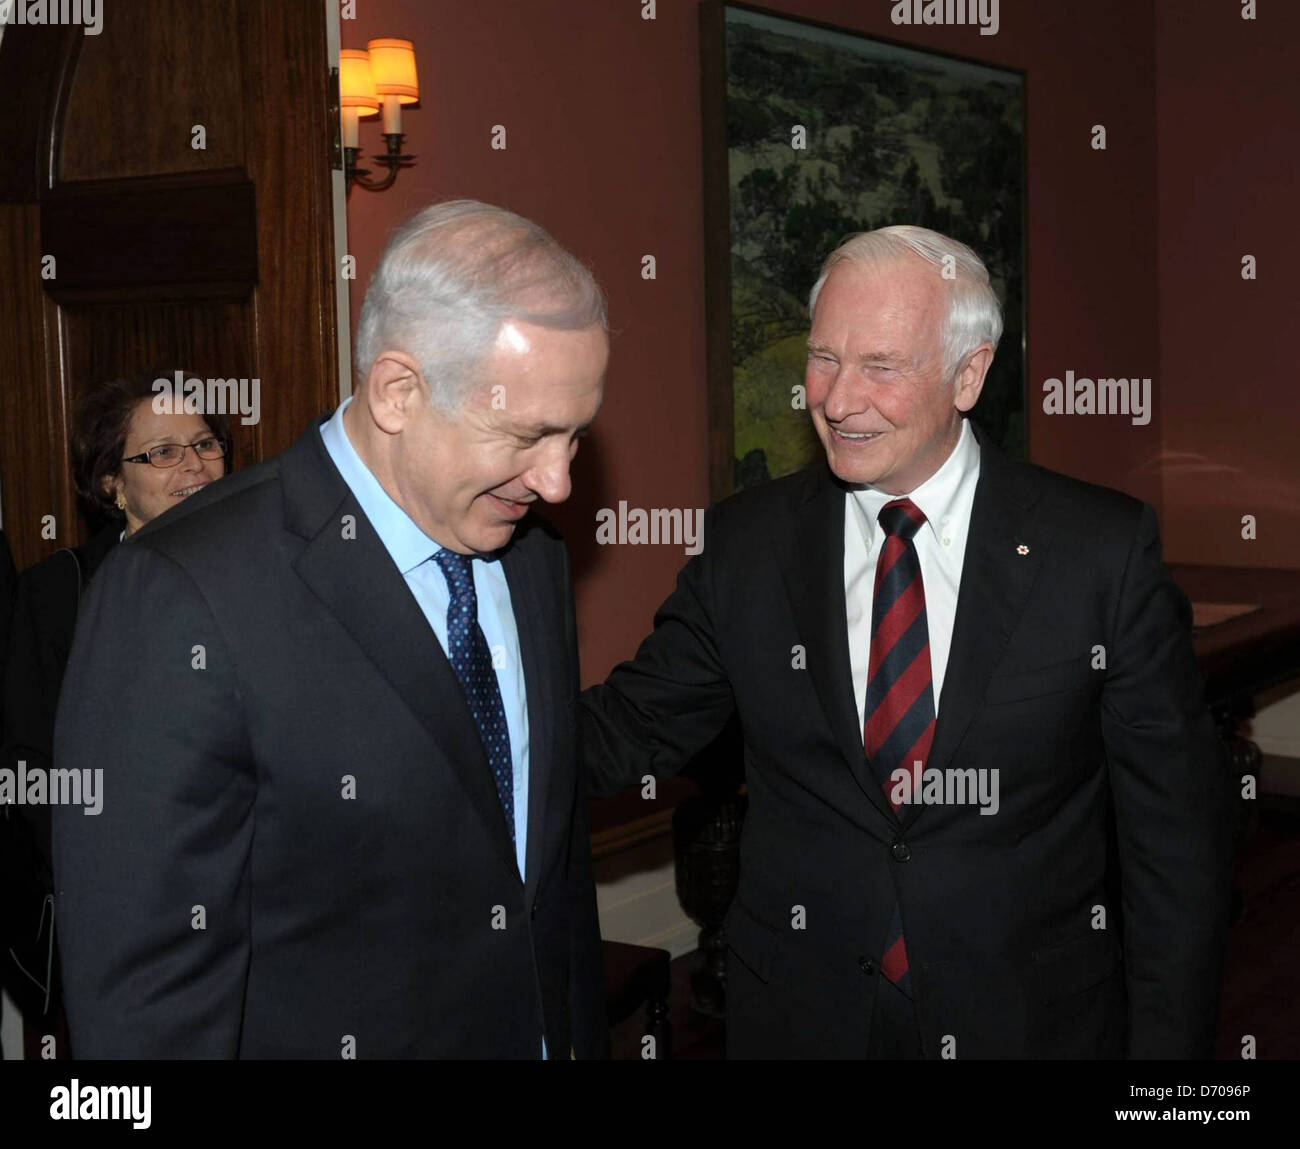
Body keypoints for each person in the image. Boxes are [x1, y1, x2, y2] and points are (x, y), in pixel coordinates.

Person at [581, 226, 1234, 1059]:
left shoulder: (1099, 552)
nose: (838, 399)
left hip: (1031, 1021)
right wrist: (451, 743)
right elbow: (630, 728)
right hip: (800, 1018)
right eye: (824, 358)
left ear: (970, 374)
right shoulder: (748, 545)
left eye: (881, 366)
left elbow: (1176, 849)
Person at [53, 200, 610, 1058]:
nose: (560, 480)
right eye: (528, 435)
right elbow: (145, 1000)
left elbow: (543, 873)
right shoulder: (179, 592)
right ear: (397, 392)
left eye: (575, 435)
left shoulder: (527, 549)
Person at [1, 371, 229, 1053]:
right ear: (111, 484)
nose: (194, 465)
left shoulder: (270, 581)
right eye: (162, 452)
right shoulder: (58, 595)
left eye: (207, 443)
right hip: (114, 935)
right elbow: (27, 768)